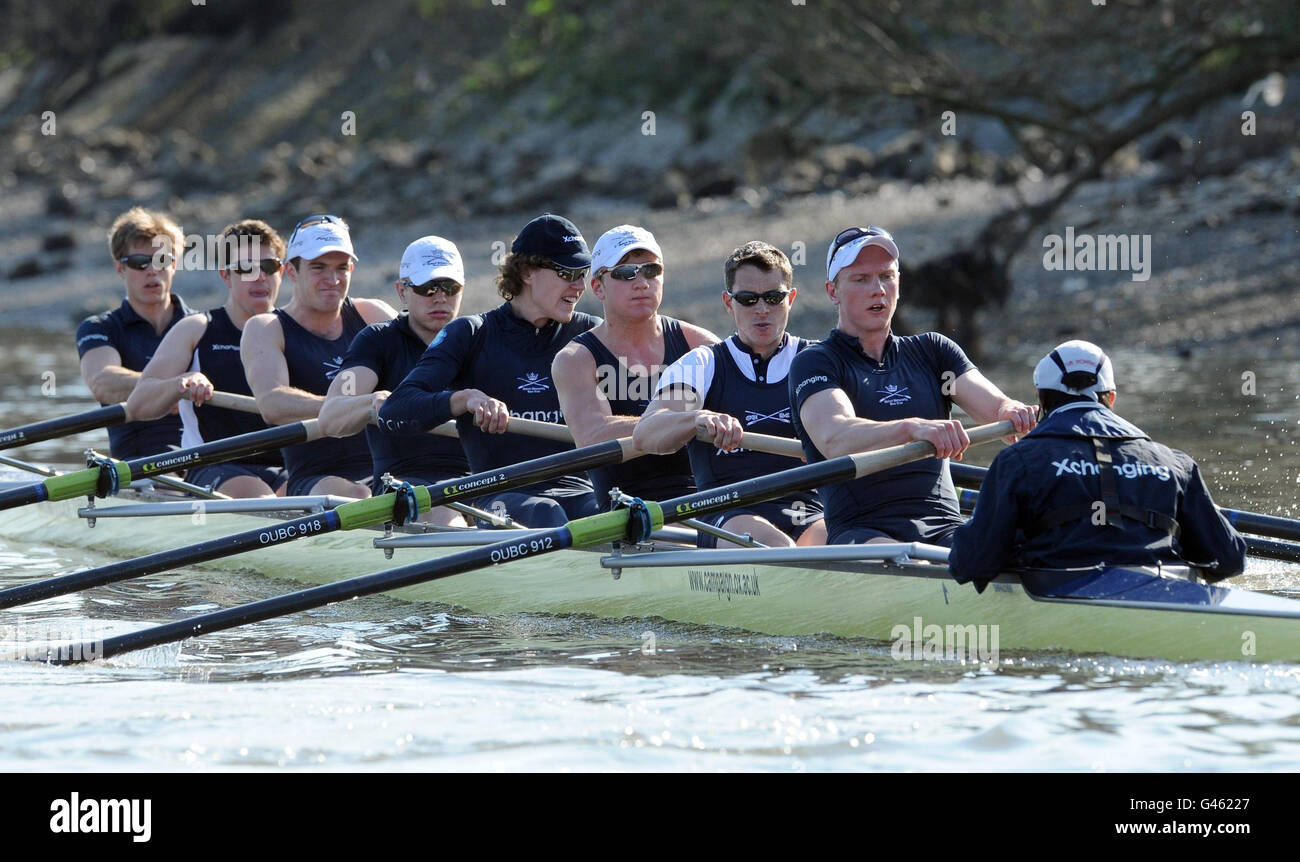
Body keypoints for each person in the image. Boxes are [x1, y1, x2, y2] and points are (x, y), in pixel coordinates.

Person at [789, 225, 1037, 546]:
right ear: (832, 291)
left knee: (1028, 543)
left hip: (945, 527)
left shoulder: (934, 351)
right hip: (864, 533)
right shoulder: (815, 362)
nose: (877, 289)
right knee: (905, 559)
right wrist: (912, 429)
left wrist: (1014, 413)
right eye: (860, 279)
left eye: (886, 276)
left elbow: (996, 409)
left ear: (899, 284)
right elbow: (836, 438)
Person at [948, 340, 1248, 589]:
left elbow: (971, 563)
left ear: (1042, 398)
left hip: (1060, 595)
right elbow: (1230, 559)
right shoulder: (1175, 463)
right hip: (1166, 591)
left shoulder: (1016, 462)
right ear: (1112, 398)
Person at [378, 214, 603, 527]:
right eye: (567, 273)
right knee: (546, 514)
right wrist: (463, 400)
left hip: (579, 491)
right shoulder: (471, 334)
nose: (579, 286)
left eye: (583, 272)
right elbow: (393, 412)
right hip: (500, 492)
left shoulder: (591, 336)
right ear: (527, 272)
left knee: (605, 516)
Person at [636, 241, 826, 547]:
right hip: (728, 513)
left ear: (790, 299)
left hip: (809, 512)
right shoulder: (702, 364)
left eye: (774, 298)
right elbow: (646, 433)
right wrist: (697, 419)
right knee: (778, 549)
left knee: (842, 547)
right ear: (728, 303)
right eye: (748, 299)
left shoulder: (818, 360)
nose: (762, 309)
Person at [552, 224, 717, 508]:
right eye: (626, 273)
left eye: (651, 271)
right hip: (628, 510)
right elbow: (594, 437)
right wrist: (686, 422)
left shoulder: (701, 344)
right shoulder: (575, 359)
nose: (641, 282)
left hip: (706, 502)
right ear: (597, 287)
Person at [127, 219, 287, 498]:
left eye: (269, 266)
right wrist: (181, 383)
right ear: (226, 275)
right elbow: (139, 404)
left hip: (287, 467)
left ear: (282, 272)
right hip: (213, 465)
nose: (260, 276)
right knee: (263, 499)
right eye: (246, 268)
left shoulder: (295, 332)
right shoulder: (197, 329)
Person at [241, 214, 395, 498]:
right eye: (319, 268)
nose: (332, 279)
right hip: (317, 477)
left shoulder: (373, 314)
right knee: (359, 498)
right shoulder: (266, 328)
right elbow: (272, 404)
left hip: (388, 471)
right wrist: (355, 406)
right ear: (291, 272)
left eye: (341, 268)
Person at [319, 235, 470, 525]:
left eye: (449, 288)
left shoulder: (478, 337)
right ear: (402, 291)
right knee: (449, 519)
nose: (440, 297)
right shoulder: (376, 342)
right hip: (406, 485)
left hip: (481, 481)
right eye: (428, 288)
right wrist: (371, 403)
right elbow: (331, 415)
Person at [76, 207, 194, 460]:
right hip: (145, 465)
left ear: (173, 264)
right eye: (140, 263)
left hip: (209, 456)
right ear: (120, 268)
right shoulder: (100, 328)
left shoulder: (202, 325)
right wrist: (169, 390)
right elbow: (102, 382)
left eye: (161, 260)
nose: (152, 270)